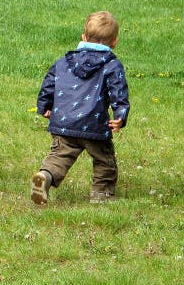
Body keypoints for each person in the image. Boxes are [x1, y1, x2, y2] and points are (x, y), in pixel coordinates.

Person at [31, 11, 130, 205]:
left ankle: (46, 175)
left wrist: (44, 105)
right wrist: (120, 116)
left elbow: (49, 83)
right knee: (104, 160)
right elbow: (119, 92)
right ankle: (101, 194)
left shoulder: (63, 61)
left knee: (59, 155)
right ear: (114, 42)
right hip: (95, 125)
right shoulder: (112, 65)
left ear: (83, 37)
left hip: (63, 121)